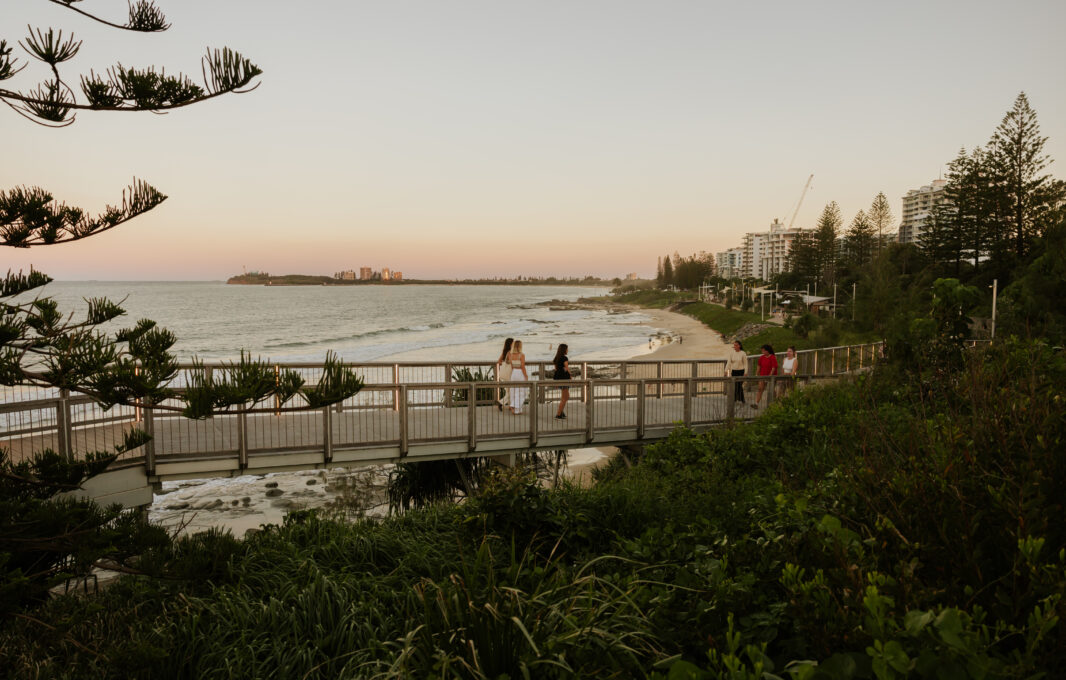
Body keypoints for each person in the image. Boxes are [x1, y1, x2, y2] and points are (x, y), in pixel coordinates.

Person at [507, 340, 529, 414]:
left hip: (514, 373)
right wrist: (526, 376)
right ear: (520, 346)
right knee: (521, 391)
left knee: (513, 390)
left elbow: (511, 366)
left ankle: (517, 409)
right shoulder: (521, 355)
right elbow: (522, 366)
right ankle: (514, 406)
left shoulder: (510, 354)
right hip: (520, 373)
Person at [552, 343, 571, 419]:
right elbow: (566, 367)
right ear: (564, 350)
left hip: (559, 378)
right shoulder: (564, 358)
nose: (567, 350)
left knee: (565, 396)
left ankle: (561, 411)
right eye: (567, 349)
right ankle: (559, 414)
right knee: (565, 397)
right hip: (564, 378)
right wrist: (570, 375)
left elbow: (556, 369)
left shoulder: (556, 358)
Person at [495, 338, 513, 411]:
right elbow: (512, 363)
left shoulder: (504, 352)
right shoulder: (510, 352)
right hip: (510, 374)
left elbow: (498, 362)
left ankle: (510, 406)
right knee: (511, 391)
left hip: (505, 374)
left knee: (508, 391)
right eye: (513, 343)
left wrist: (504, 363)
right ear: (510, 344)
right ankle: (501, 402)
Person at [727, 340, 747, 406]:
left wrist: (745, 372)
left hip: (741, 371)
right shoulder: (732, 353)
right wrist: (726, 370)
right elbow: (728, 362)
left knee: (739, 386)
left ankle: (739, 400)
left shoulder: (743, 353)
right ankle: (738, 400)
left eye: (736, 345)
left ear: (739, 346)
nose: (734, 346)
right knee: (735, 386)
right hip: (734, 371)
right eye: (734, 345)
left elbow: (745, 364)